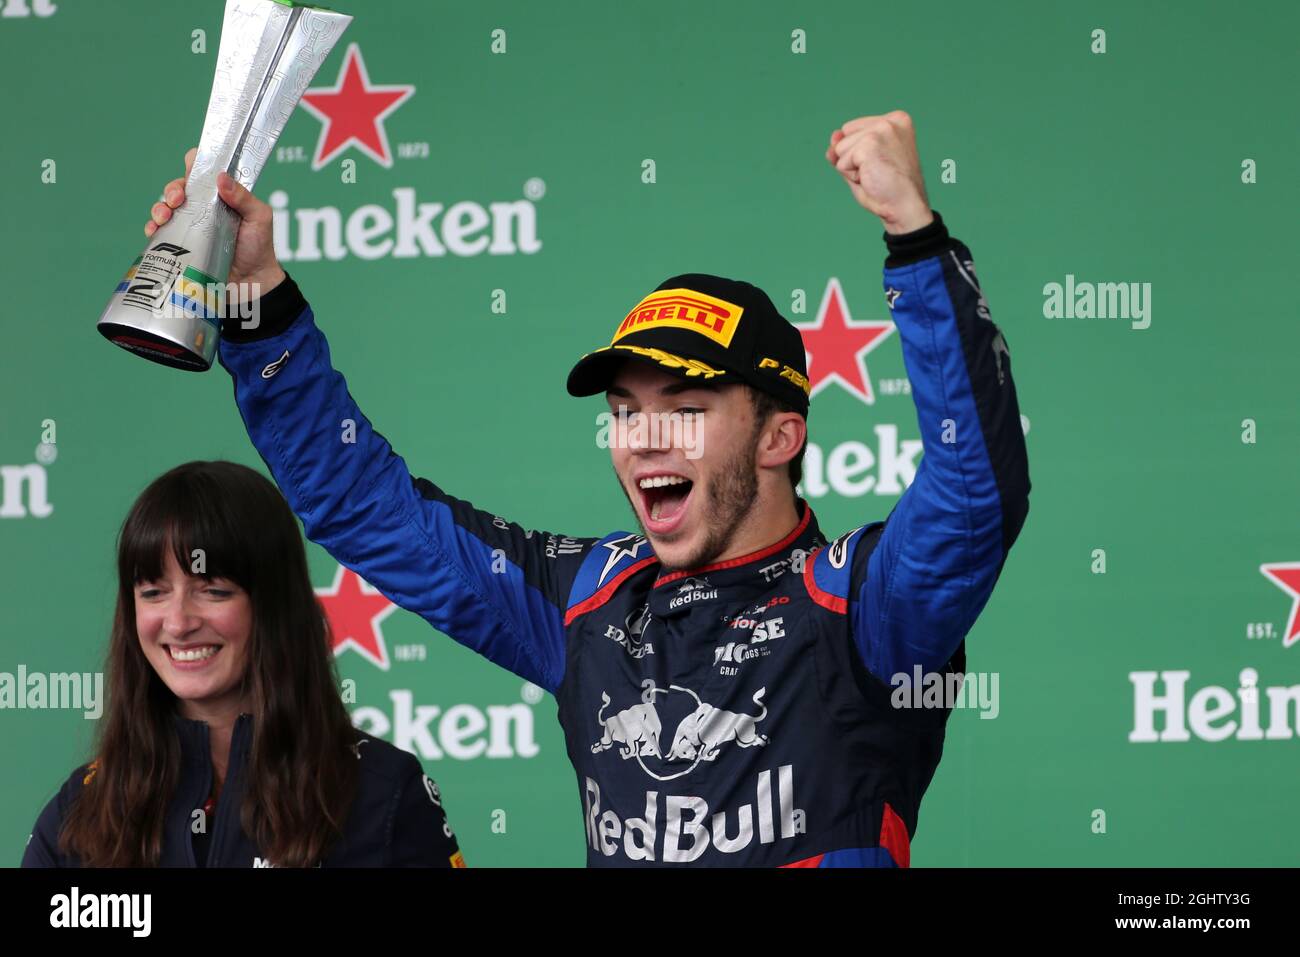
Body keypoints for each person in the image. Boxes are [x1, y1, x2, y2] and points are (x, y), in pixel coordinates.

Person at [142, 110, 1030, 867]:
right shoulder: (591, 601)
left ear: (778, 435)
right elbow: (365, 505)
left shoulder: (859, 603)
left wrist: (915, 239)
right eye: (624, 409)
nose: (643, 437)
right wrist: (257, 296)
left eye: (683, 408)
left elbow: (973, 498)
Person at [22, 461, 464, 868]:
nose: (178, 623)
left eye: (213, 590)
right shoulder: (80, 811)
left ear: (275, 604)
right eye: (153, 592)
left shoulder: (382, 793)